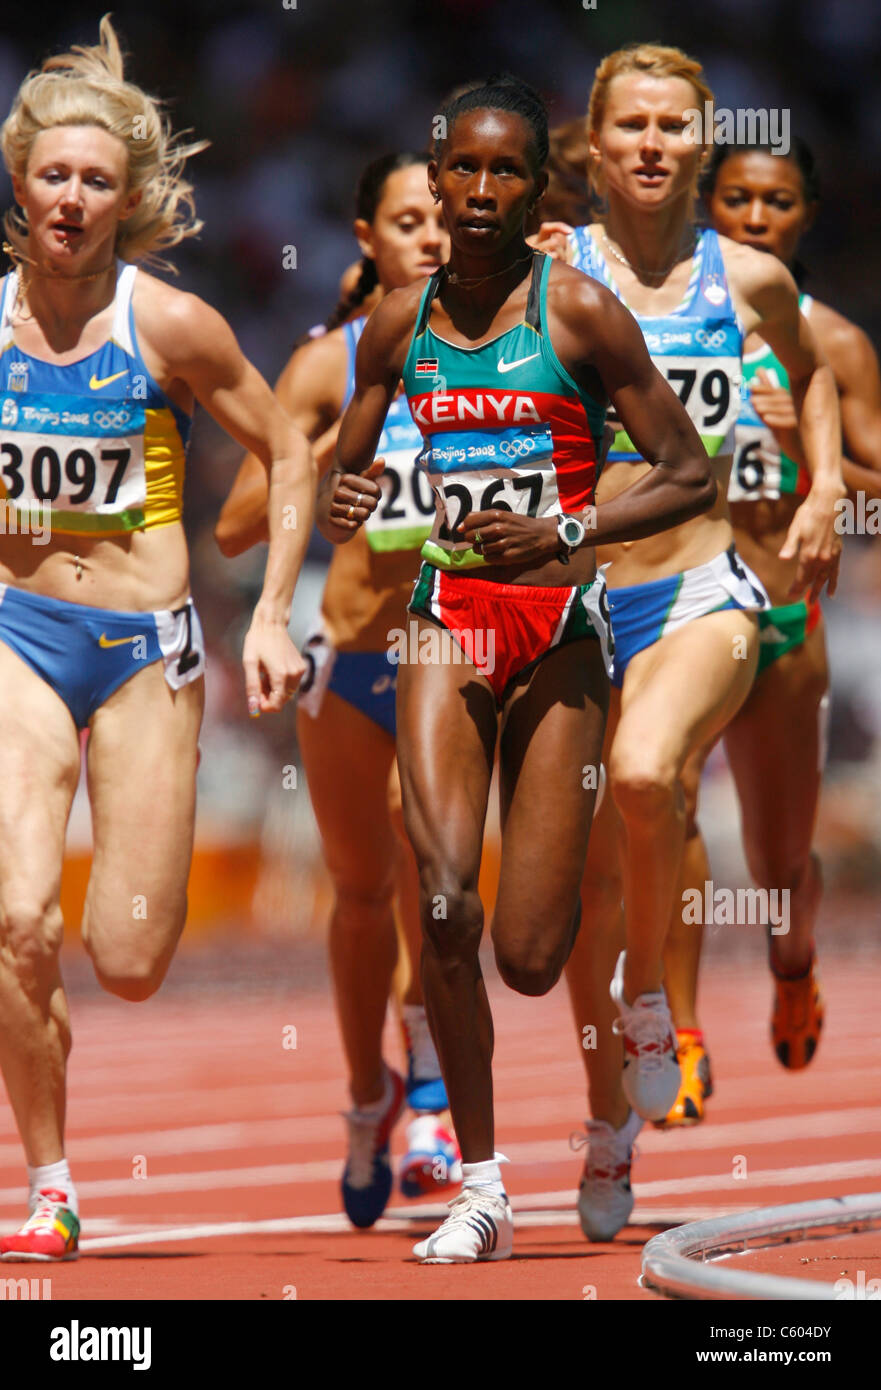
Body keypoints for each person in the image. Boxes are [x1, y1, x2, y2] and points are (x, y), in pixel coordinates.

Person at [319, 73, 718, 1263]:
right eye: (462, 171)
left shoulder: (581, 312)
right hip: (446, 621)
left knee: (531, 956)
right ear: (433, 182)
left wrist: (570, 530)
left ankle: (625, 1038)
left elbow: (688, 472)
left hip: (559, 631)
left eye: (506, 173)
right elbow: (350, 458)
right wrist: (347, 491)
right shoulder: (399, 321)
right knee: (439, 898)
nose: (481, 192)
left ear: (533, 188)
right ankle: (482, 1190)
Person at [0, 17, 314, 1262]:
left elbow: (288, 445)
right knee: (18, 920)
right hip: (16, 631)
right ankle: (53, 1182)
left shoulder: (168, 324)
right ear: (18, 182)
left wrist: (275, 605)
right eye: (52, 175)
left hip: (143, 650)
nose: (71, 199)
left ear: (126, 201)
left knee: (124, 955)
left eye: (96, 180)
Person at [533, 42, 844, 1241]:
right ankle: (608, 1129)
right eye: (632, 127)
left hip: (704, 589)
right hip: (573, 607)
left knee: (654, 776)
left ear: (698, 141)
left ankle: (659, 998)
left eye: (674, 126)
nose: (654, 144)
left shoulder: (749, 278)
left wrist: (818, 493)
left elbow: (813, 376)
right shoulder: (544, 274)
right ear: (596, 147)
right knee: (579, 893)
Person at [216, 152, 461, 1227]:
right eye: (407, 219)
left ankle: (439, 1099)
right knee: (364, 897)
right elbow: (231, 524)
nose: (432, 236)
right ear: (365, 235)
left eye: (445, 216)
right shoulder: (326, 360)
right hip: (349, 653)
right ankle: (368, 1092)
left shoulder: (509, 345)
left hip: (453, 648)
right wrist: (319, 451)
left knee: (437, 875)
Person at [658, 136, 881, 1116]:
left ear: (803, 216)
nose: (754, 216)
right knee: (655, 800)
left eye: (776, 201)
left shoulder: (828, 343)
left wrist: (806, 456)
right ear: (707, 206)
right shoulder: (655, 317)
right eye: (736, 198)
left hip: (781, 617)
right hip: (668, 607)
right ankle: (677, 1032)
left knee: (776, 857)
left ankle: (790, 961)